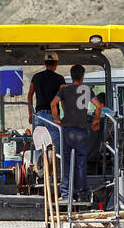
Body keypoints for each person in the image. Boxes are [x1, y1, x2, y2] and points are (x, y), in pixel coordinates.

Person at [51, 64, 98, 201]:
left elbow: (53, 104)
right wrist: (96, 121)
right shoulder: (87, 89)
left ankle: (66, 194)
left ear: (71, 76)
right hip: (81, 131)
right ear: (82, 76)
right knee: (81, 163)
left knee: (66, 162)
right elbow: (98, 106)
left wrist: (56, 119)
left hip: (67, 130)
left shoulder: (65, 90)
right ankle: (82, 193)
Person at [27, 52, 64, 142]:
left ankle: (38, 156)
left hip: (38, 115)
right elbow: (63, 99)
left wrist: (30, 114)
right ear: (56, 63)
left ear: (44, 63)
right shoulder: (59, 79)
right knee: (56, 145)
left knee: (39, 144)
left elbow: (29, 95)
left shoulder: (36, 77)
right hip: (52, 115)